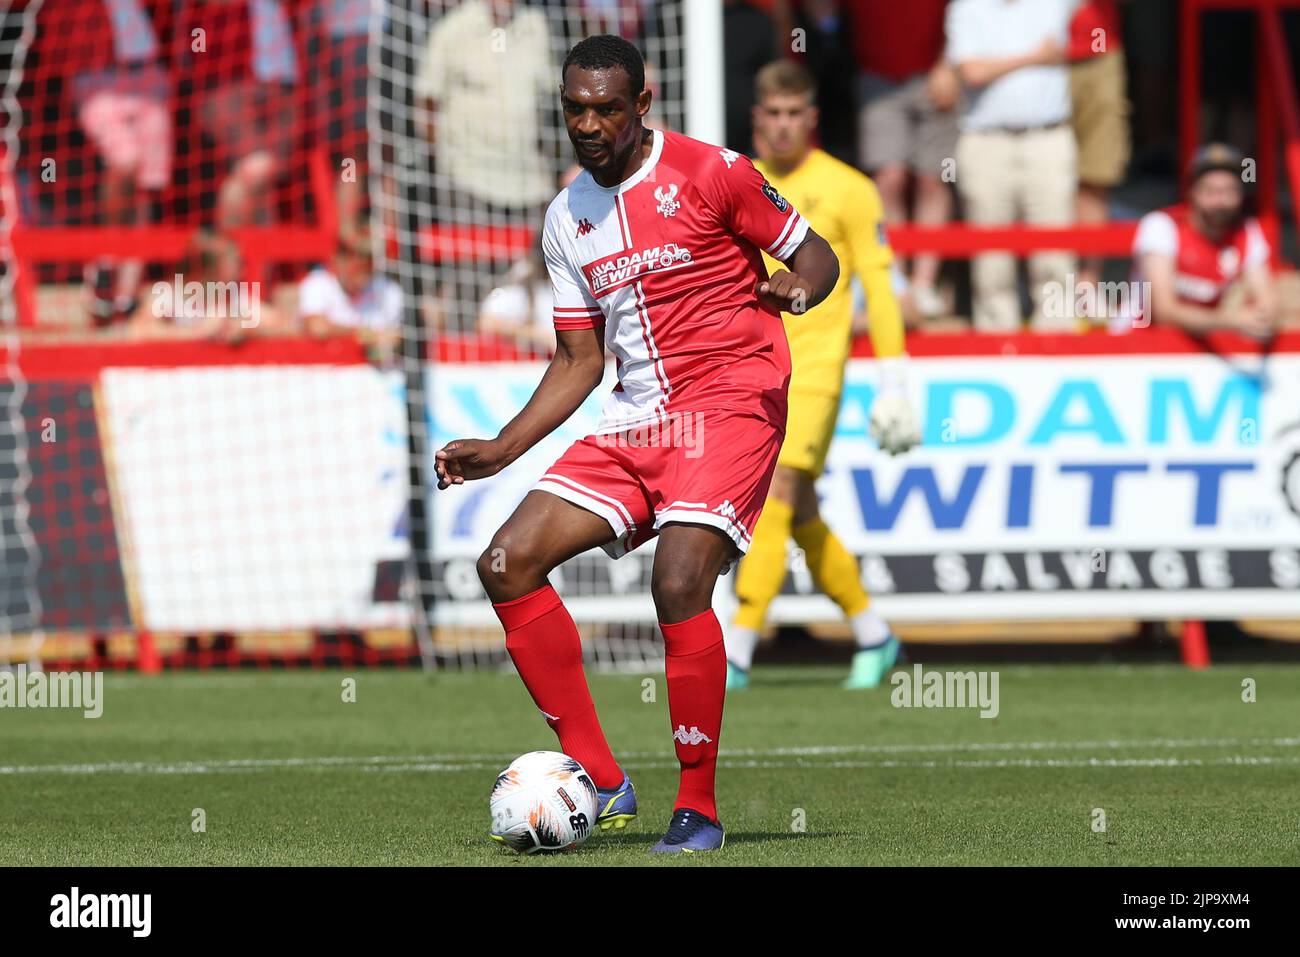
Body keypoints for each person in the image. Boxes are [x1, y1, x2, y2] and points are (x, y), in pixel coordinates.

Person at [434, 35, 839, 854]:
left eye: (607, 108)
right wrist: (504, 448)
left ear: (641, 105)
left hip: (733, 403)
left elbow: (818, 255)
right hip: (638, 419)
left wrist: (798, 287)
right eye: (576, 107)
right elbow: (580, 358)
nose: (589, 123)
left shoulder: (712, 172)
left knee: (680, 576)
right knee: (506, 562)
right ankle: (604, 778)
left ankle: (698, 807)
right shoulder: (565, 218)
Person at [725, 60, 920, 693]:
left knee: (775, 491)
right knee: (799, 509)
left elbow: (879, 289)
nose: (782, 127)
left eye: (793, 115)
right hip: (749, 369)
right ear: (757, 117)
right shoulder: (736, 180)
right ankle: (873, 631)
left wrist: (895, 379)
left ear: (812, 118)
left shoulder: (850, 188)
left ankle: (737, 647)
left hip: (814, 376)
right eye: (771, 114)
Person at [945, 0, 1078, 331]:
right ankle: (996, 343)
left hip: (1048, 137)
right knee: (991, 259)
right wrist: (1036, 57)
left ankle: (1059, 342)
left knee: (1055, 252)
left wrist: (1000, 64)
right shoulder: (966, 8)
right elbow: (973, 73)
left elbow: (982, 68)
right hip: (987, 141)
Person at [849, 0, 957, 322]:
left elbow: (967, 12)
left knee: (932, 179)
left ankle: (923, 284)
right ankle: (894, 281)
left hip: (934, 72)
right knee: (888, 177)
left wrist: (950, 62)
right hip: (878, 74)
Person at [1118, 144, 1276, 339]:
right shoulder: (1163, 226)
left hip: (1194, 351)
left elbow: (1267, 302)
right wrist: (1231, 320)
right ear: (1192, 192)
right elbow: (1164, 312)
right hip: (1134, 344)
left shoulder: (1246, 232)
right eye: (1211, 191)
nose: (1220, 201)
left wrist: (1262, 319)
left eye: (1229, 191)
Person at [1069, 1, 1131, 307]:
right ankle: (1044, 285)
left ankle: (1086, 285)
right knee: (1039, 177)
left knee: (1095, 173)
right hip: (1023, 58)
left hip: (1097, 52)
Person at [298, 230, 403, 363]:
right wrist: (368, 334)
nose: (362, 264)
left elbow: (398, 335)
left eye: (367, 258)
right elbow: (317, 328)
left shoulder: (389, 290)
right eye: (354, 257)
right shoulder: (318, 284)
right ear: (337, 259)